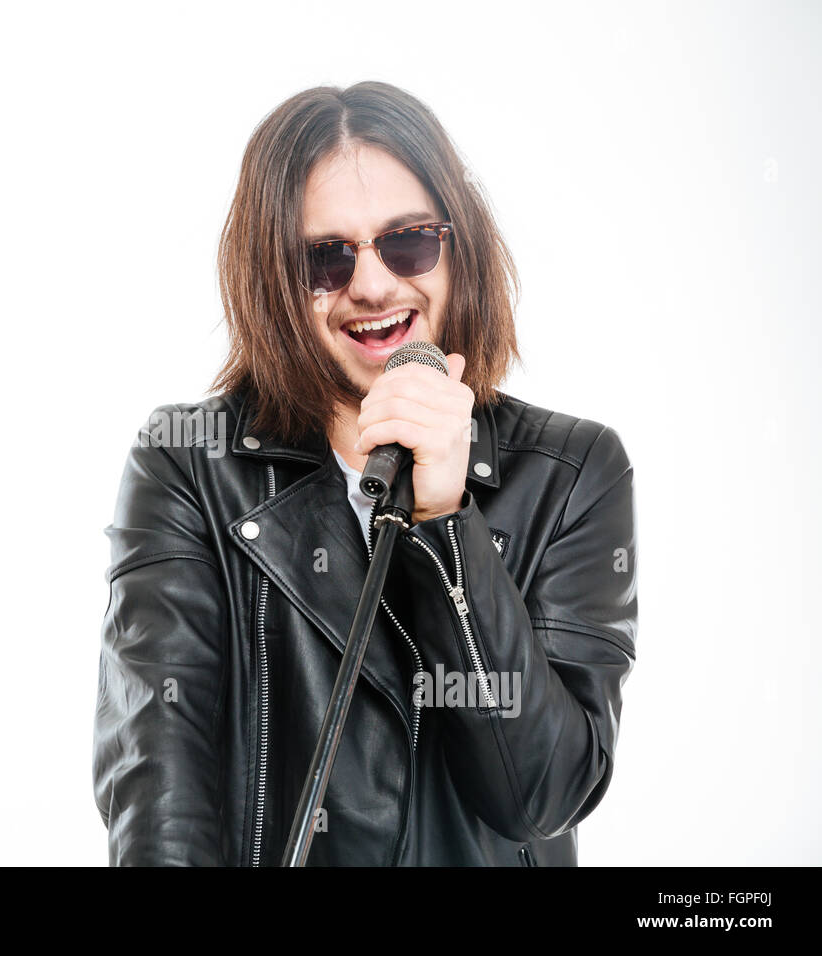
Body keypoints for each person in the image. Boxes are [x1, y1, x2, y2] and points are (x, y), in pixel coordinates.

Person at [91, 81, 638, 866]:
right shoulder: (188, 464)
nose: (374, 285)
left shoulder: (575, 472)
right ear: (273, 279)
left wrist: (446, 521)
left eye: (408, 241)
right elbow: (159, 792)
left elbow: (540, 793)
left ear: (458, 246)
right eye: (326, 258)